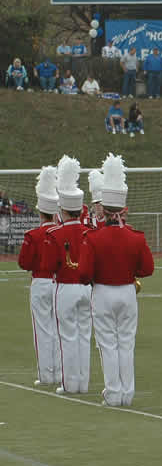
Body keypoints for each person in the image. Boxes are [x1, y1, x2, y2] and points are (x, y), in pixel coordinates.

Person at [79, 154, 154, 407]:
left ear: (104, 210)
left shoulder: (93, 238)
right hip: (128, 293)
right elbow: (147, 269)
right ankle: (127, 394)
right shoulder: (136, 237)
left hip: (102, 292)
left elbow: (84, 274)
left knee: (108, 345)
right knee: (126, 343)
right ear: (123, 210)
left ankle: (113, 393)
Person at [49, 156, 93, 394]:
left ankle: (69, 383)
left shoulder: (55, 234)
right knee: (85, 335)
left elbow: (49, 265)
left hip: (65, 286)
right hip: (87, 288)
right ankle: (83, 383)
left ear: (63, 209)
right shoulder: (89, 231)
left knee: (67, 336)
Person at [17, 166, 61, 385]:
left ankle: (46, 375)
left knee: (42, 330)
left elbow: (23, 263)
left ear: (40, 212)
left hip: (40, 283)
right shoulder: (61, 233)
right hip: (60, 283)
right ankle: (61, 373)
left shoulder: (33, 235)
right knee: (59, 330)